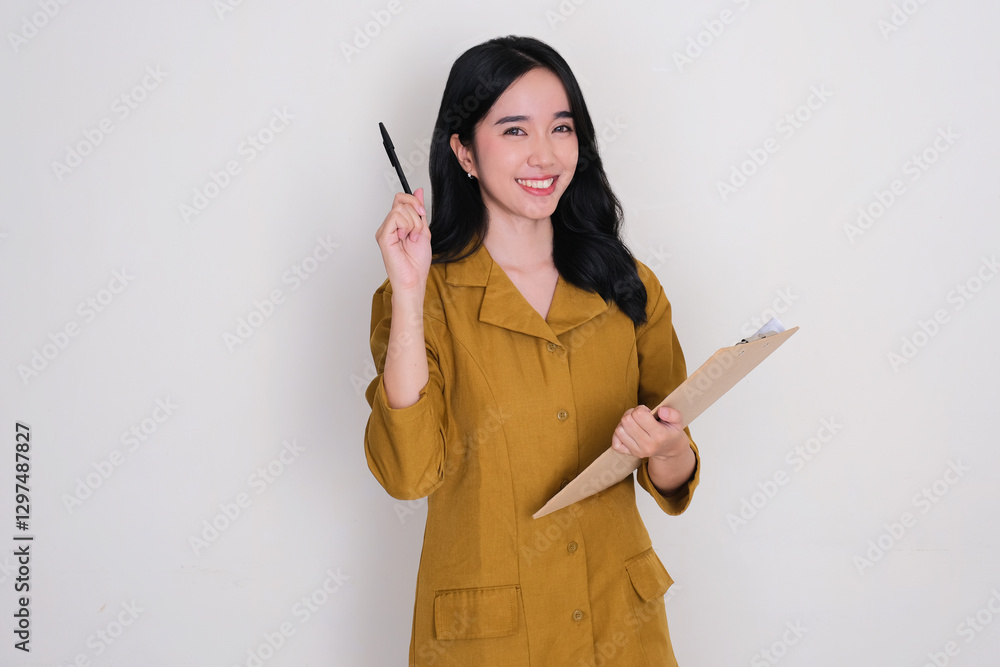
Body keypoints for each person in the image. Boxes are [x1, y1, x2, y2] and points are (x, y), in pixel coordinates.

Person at [364, 34, 700, 667]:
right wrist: (410, 293)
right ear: (463, 150)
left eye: (562, 127)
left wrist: (669, 447)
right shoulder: (421, 297)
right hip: (488, 642)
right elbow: (408, 476)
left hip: (620, 627)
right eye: (514, 131)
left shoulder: (627, 285)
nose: (544, 154)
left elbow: (674, 474)